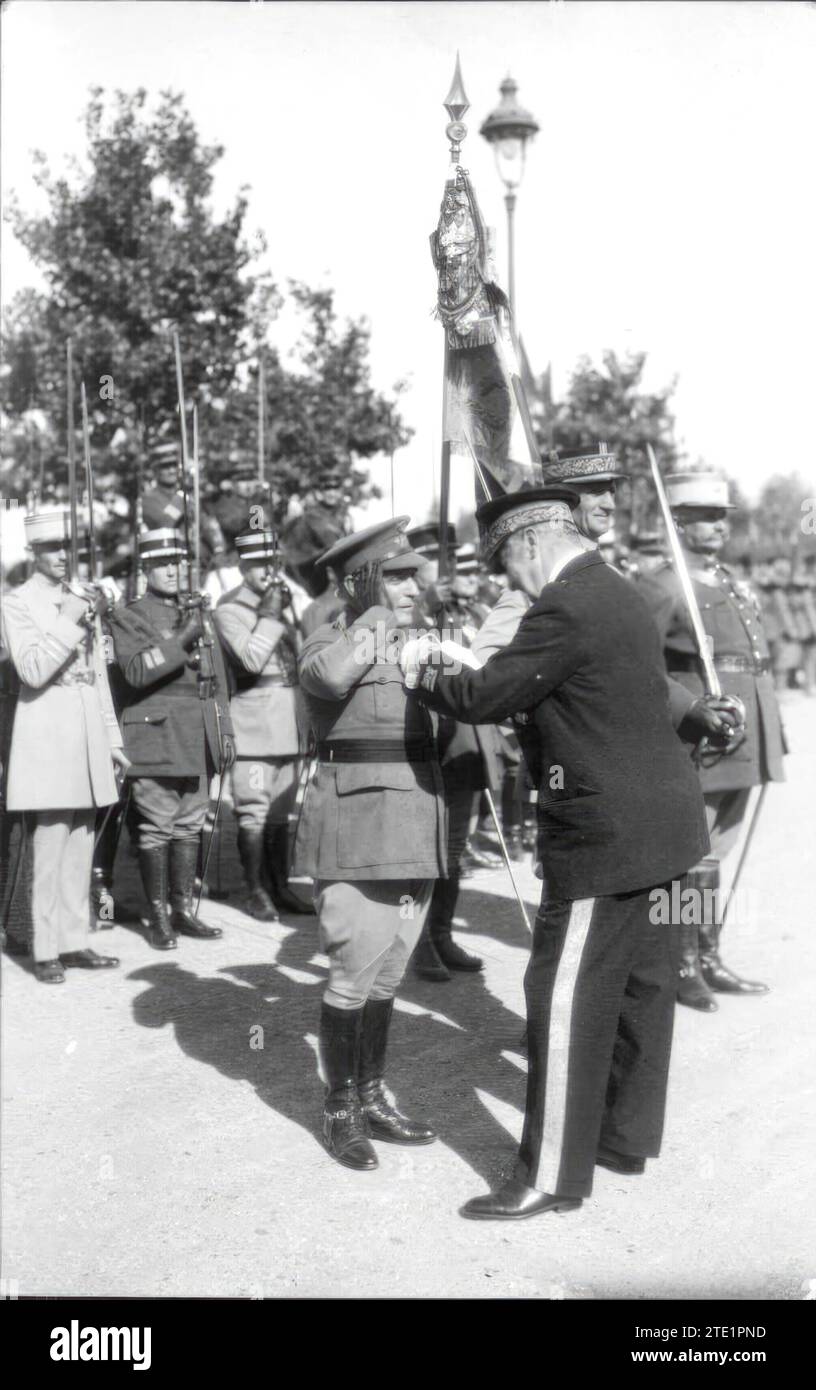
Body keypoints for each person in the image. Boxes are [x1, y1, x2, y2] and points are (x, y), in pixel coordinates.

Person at [401, 486, 710, 1220]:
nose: (512, 580)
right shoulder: (619, 589)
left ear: (531, 543)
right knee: (643, 988)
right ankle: (622, 1138)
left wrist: (422, 664)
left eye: (508, 565)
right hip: (670, 829)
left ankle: (550, 1175)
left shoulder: (565, 605)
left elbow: (485, 695)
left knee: (562, 996)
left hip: (605, 838)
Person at [293, 516, 445, 1171]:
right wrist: (378, 617)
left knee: (389, 972)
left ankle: (373, 1095)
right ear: (361, 583)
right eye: (398, 577)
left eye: (416, 576)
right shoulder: (328, 636)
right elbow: (330, 679)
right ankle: (340, 1109)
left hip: (415, 824)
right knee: (353, 971)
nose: (415, 587)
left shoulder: (419, 641)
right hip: (356, 828)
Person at [638, 468, 786, 1010]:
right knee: (689, 851)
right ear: (678, 522)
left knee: (716, 850)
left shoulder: (728, 580)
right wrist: (692, 711)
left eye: (723, 517)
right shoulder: (661, 584)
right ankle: (681, 964)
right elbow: (643, 667)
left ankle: (708, 954)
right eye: (706, 517)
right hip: (701, 733)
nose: (720, 526)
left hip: (743, 730)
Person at [1, 507, 125, 983]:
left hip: (87, 734)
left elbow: (98, 678)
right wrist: (72, 617)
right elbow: (32, 670)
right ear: (33, 552)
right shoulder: (16, 603)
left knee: (81, 842)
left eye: (66, 548)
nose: (61, 556)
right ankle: (44, 948)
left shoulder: (80, 597)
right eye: (51, 548)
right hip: (47, 733)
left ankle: (74, 941)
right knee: (49, 845)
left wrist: (112, 739)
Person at [108, 529, 235, 950]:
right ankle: (158, 915)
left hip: (198, 735)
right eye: (162, 564)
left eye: (180, 563)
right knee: (156, 828)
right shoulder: (130, 615)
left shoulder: (199, 611)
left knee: (190, 825)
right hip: (155, 736)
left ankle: (183, 910)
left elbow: (217, 680)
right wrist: (181, 639)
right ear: (145, 569)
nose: (173, 570)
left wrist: (224, 730)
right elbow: (136, 672)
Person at [212, 527, 313, 920]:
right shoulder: (229, 610)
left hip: (289, 719)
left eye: (273, 564)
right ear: (242, 568)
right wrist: (270, 615)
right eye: (258, 565)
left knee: (280, 813)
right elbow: (251, 659)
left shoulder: (283, 604)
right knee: (253, 810)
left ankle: (279, 886)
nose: (268, 572)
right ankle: (255, 890)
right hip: (254, 723)